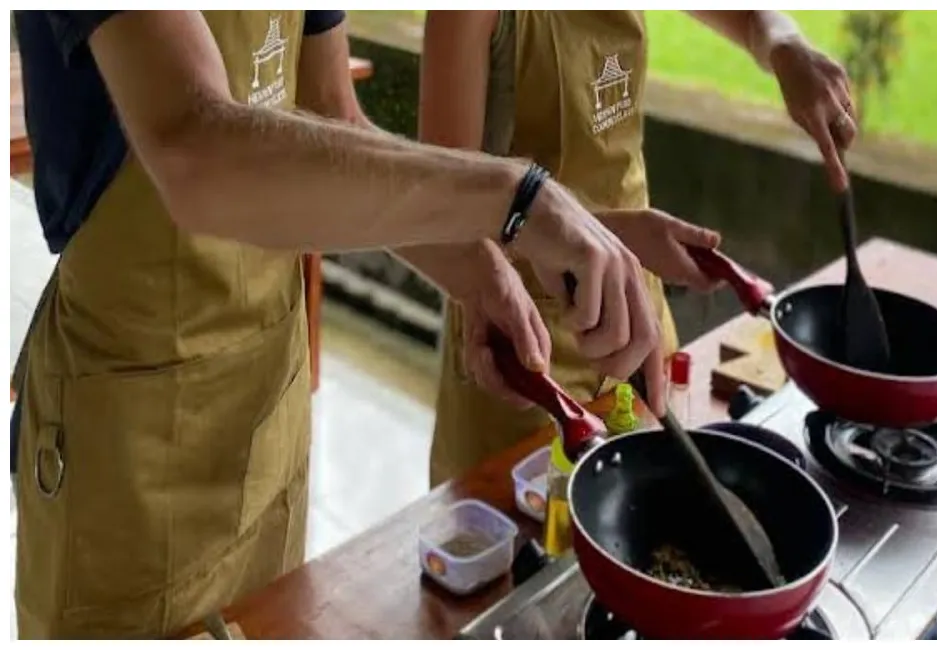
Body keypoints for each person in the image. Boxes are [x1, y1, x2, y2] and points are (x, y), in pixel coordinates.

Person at [10, 10, 667, 639]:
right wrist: (514, 198)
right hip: (131, 439)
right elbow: (195, 148)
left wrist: (477, 269)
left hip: (268, 400)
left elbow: (333, 115)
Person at [419, 10, 858, 485]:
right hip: (524, 361)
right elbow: (442, 214)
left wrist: (785, 44)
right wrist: (610, 237)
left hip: (639, 329)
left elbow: (752, 19)